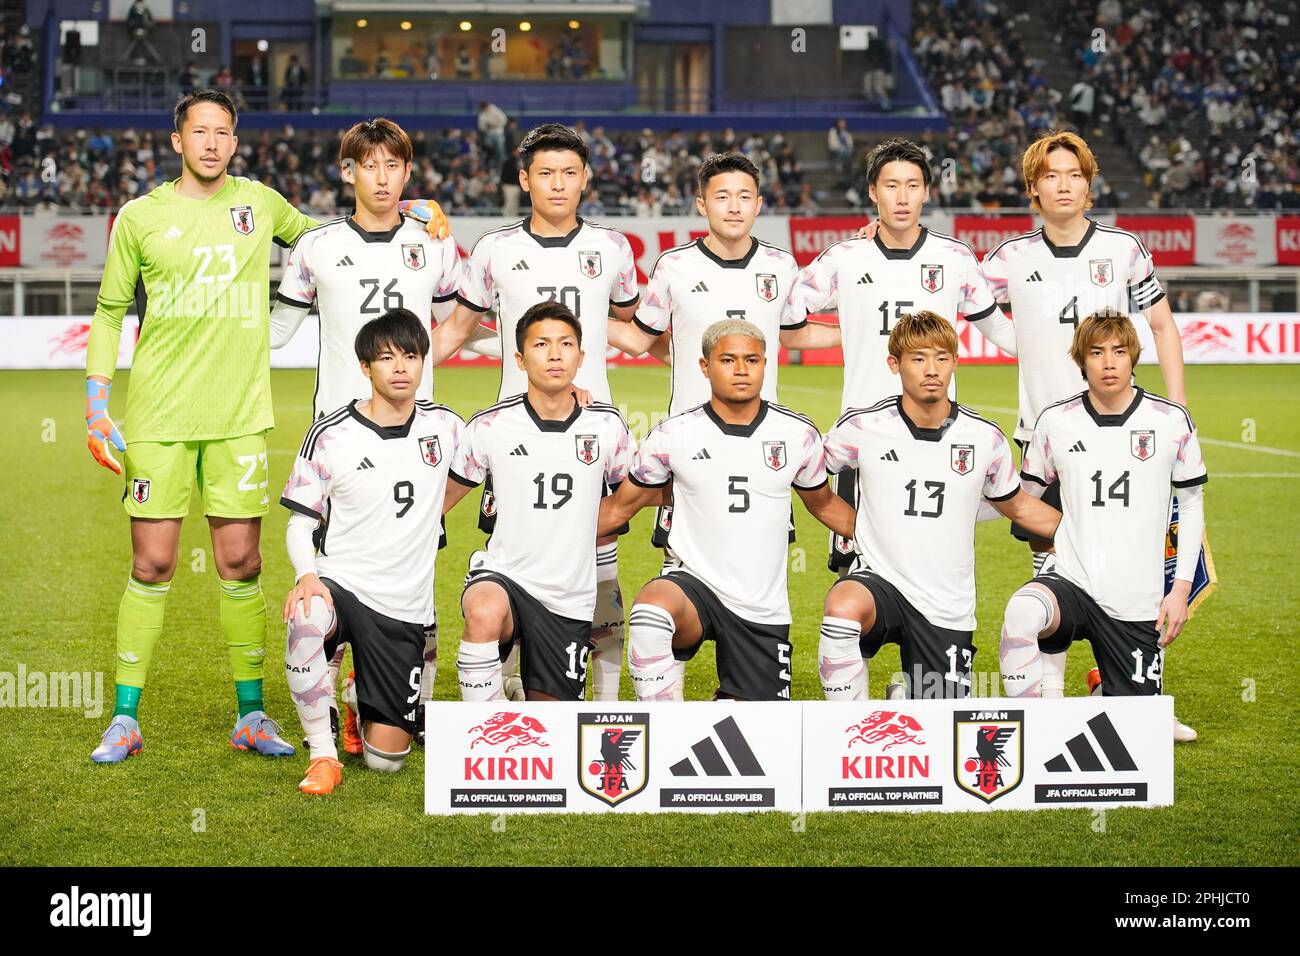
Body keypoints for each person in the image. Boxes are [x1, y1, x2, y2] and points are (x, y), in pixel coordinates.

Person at [84, 90, 315, 763]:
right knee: (153, 563)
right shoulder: (141, 217)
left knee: (240, 561)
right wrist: (97, 405)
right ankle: (125, 718)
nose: (212, 143)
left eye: (223, 133)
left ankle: (250, 714)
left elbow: (328, 240)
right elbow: (107, 312)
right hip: (158, 417)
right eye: (200, 132)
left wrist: (405, 218)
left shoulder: (259, 203)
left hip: (241, 419)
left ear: (235, 142)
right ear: (178, 140)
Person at [270, 117, 494, 749]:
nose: (383, 176)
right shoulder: (314, 246)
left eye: (394, 165)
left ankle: (402, 704)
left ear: (407, 173)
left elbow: (459, 326)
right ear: (348, 173)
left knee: (415, 568)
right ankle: (343, 711)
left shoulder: (435, 245)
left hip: (415, 440)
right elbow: (279, 332)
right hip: (340, 440)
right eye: (369, 165)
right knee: (336, 570)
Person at [978, 131, 1194, 740]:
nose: (1064, 183)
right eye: (1051, 175)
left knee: (1134, 569)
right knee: (1053, 568)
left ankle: (1132, 691)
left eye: (1074, 173)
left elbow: (1161, 325)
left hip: (1125, 439)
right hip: (1046, 441)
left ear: (1090, 184)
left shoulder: (1123, 249)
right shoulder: (1010, 258)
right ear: (1033, 189)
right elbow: (951, 294)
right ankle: (1049, 699)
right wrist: (1021, 348)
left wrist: (1176, 408)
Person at [433, 123, 642, 701]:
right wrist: (395, 368)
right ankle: (503, 687)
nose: (558, 184)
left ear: (586, 179)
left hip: (593, 433)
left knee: (601, 574)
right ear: (524, 180)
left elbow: (628, 329)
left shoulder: (612, 248)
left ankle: (600, 699)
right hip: (515, 432)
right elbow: (457, 328)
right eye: (545, 173)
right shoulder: (496, 249)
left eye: (569, 173)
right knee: (517, 560)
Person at [604, 152, 838, 619]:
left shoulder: (780, 266)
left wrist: (873, 330)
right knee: (679, 568)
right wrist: (584, 316)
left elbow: (794, 335)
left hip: (764, 445)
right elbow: (638, 339)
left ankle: (758, 661)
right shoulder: (674, 267)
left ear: (759, 205)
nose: (733, 206)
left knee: (765, 568)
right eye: (722, 196)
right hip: (688, 447)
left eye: (744, 197)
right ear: (700, 204)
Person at [785, 137, 1016, 575]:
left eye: (913, 184)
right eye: (891, 185)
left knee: (940, 570)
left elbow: (1002, 331)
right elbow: (787, 325)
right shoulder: (844, 258)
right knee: (855, 583)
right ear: (873, 191)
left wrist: (1072, 346)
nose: (903, 196)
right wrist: (852, 332)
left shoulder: (954, 258)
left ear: (928, 191)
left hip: (938, 438)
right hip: (860, 444)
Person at [598, 319, 857, 701]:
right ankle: (665, 727)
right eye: (728, 360)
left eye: (751, 360)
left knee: (755, 734)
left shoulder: (797, 434)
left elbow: (825, 506)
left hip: (761, 605)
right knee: (651, 614)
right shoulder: (674, 435)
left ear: (765, 364)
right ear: (705, 367)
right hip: (693, 586)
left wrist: (892, 541)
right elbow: (619, 509)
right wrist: (547, 532)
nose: (741, 369)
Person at [818, 312, 1061, 700]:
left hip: (946, 602)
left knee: (937, 720)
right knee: (843, 606)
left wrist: (1090, 534)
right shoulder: (863, 427)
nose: (931, 369)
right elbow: (809, 477)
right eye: (917, 358)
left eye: (941, 357)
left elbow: (1019, 506)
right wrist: (859, 527)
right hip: (880, 582)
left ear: (954, 362)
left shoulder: (985, 438)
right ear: (894, 364)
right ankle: (851, 731)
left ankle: (907, 695)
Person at [281, 309, 464, 794]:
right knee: (306, 617)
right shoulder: (331, 433)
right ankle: (323, 754)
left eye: (410, 355)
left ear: (424, 362)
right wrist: (306, 574)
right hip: (342, 584)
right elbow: (301, 522)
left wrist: (573, 395)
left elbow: (509, 435)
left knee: (387, 762)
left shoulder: (447, 427)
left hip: (404, 609)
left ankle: (360, 701)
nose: (400, 367)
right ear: (365, 367)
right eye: (386, 358)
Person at [999, 311, 1206, 707]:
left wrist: (1179, 591)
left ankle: (1110, 690)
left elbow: (1192, 505)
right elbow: (1021, 496)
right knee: (1022, 611)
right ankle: (1034, 718)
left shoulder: (1170, 421)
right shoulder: (1055, 422)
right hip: (1072, 581)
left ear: (1133, 357)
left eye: (1119, 351)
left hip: (1135, 598)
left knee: (1136, 727)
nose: (1108, 362)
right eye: (1096, 352)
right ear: (1081, 360)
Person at [442, 303, 630, 701]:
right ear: (519, 359)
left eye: (566, 344)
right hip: (505, 576)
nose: (556, 354)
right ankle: (484, 733)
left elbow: (630, 497)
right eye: (541, 344)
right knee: (482, 610)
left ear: (582, 356)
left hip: (569, 599)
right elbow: (439, 499)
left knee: (555, 730)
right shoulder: (491, 426)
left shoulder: (606, 426)